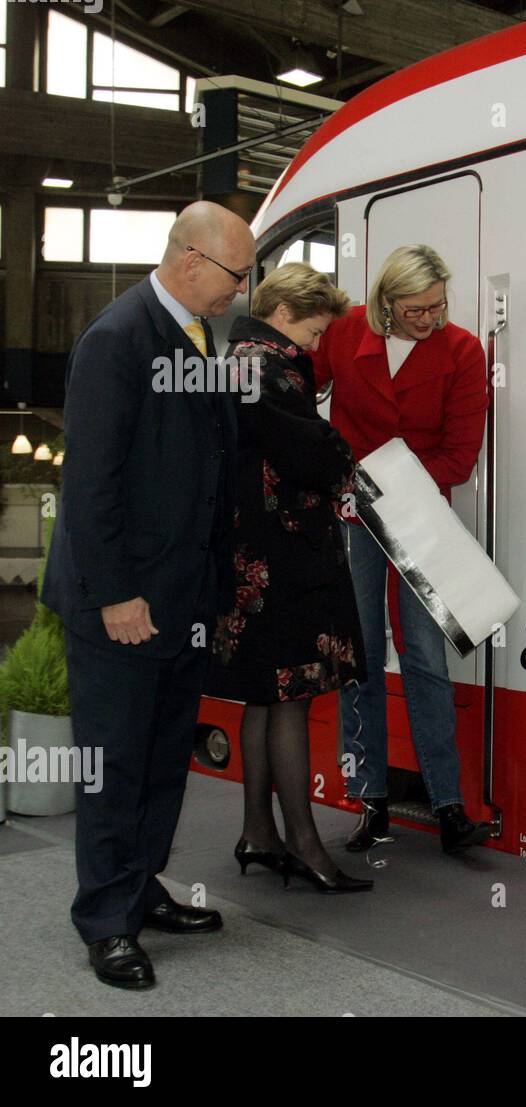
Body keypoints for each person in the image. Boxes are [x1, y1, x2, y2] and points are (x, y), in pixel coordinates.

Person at [41, 201, 252, 988]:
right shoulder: (117, 340)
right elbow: (89, 486)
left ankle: (140, 885)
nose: (241, 289)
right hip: (122, 604)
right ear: (191, 260)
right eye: (235, 274)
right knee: (115, 762)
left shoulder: (200, 337)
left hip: (180, 598)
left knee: (165, 758)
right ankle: (104, 919)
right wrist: (118, 594)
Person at [311, 245, 492, 855]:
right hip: (354, 514)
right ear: (385, 305)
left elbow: (460, 458)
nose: (432, 319)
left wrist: (394, 488)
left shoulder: (464, 351)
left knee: (426, 660)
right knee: (358, 654)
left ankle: (448, 806)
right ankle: (371, 800)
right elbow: (295, 389)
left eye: (439, 306)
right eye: (417, 310)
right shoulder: (342, 333)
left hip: (420, 515)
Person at [206, 262, 371, 894]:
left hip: (253, 558)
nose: (316, 343)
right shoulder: (266, 364)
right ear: (282, 315)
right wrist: (343, 455)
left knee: (262, 695)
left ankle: (258, 831)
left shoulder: (237, 359)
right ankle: (304, 845)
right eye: (312, 329)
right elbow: (312, 452)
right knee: (292, 699)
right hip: (285, 559)